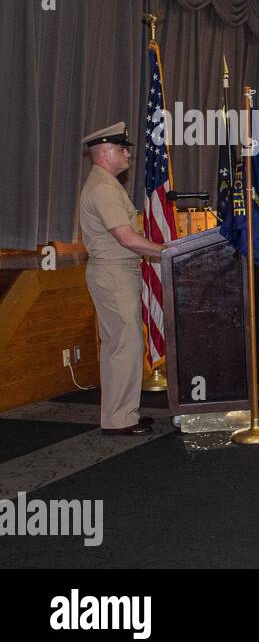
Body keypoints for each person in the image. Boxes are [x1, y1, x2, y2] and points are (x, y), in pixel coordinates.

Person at [78, 122, 164, 435]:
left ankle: (124, 412)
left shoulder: (107, 185)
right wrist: (166, 251)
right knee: (122, 345)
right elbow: (127, 237)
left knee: (126, 343)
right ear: (103, 153)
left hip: (119, 272)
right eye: (121, 148)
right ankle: (118, 419)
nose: (127, 153)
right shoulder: (102, 188)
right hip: (113, 273)